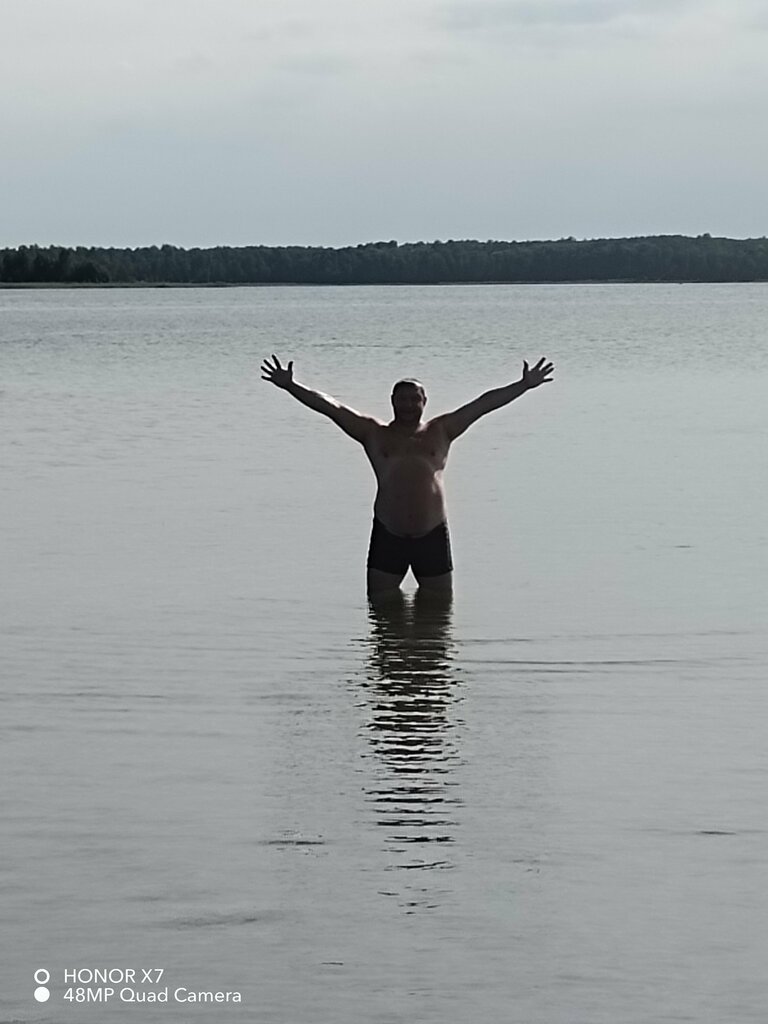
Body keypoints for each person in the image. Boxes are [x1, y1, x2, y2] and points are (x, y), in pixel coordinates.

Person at [260, 354, 554, 596]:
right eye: (402, 399)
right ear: (392, 401)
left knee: (437, 618)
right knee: (381, 613)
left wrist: (523, 385)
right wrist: (291, 386)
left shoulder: (442, 430)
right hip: (389, 533)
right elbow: (331, 407)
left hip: (432, 533)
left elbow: (483, 404)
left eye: (415, 399)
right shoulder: (373, 433)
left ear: (424, 401)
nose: (408, 405)